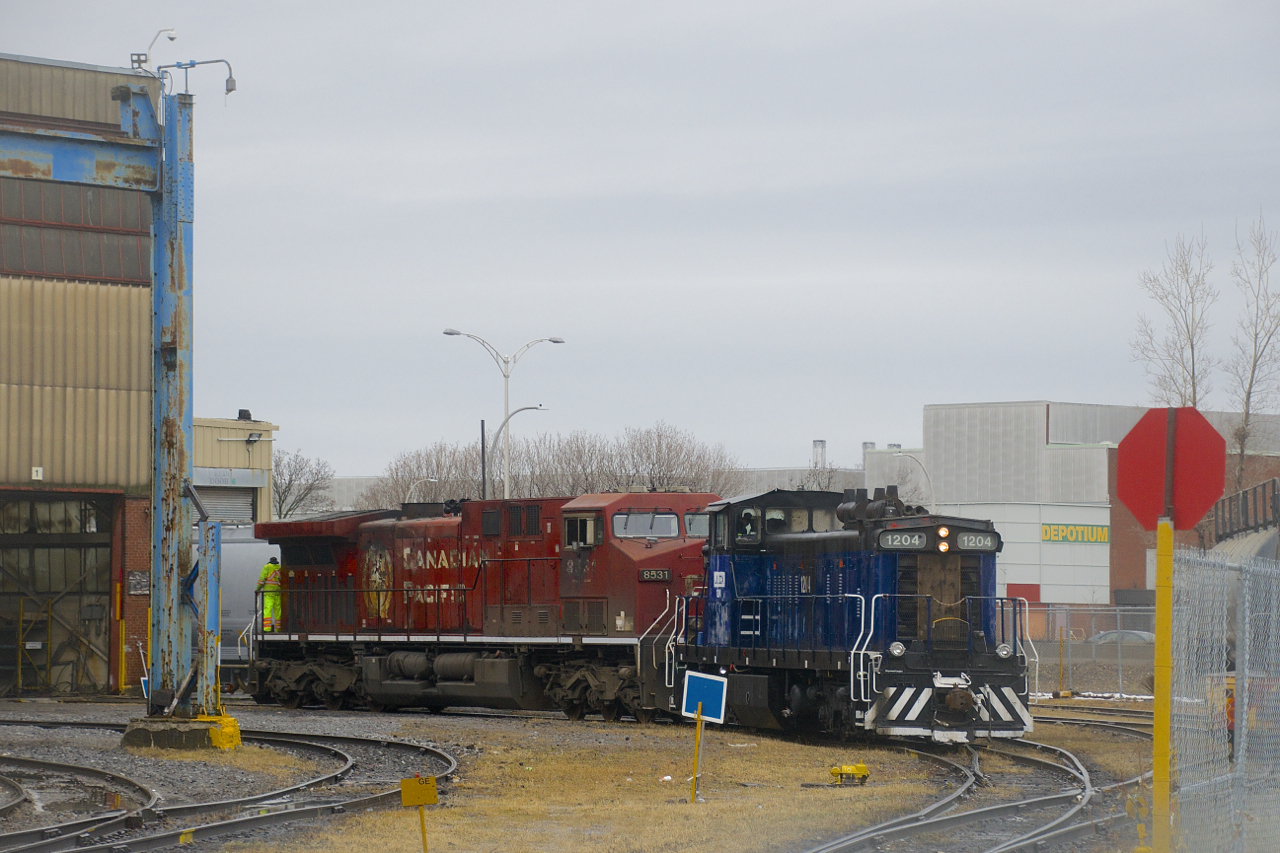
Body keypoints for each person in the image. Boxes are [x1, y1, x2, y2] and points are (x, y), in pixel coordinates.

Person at [257, 557, 282, 633]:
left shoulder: (266, 567)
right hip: (278, 592)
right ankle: (278, 629)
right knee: (278, 611)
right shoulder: (280, 568)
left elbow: (261, 580)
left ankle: (267, 629)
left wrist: (258, 589)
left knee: (267, 610)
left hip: (268, 593)